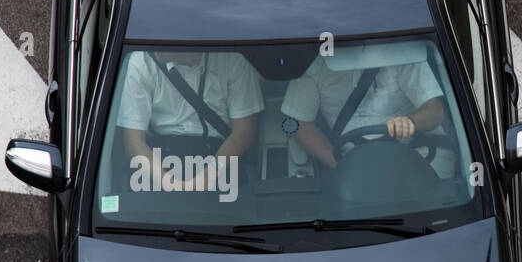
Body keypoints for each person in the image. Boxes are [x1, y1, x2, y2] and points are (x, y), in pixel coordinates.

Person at [117, 50, 264, 192]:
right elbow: (133, 142)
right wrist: (169, 183)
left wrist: (210, 174)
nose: (155, 39)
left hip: (221, 157)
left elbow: (244, 132)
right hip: (157, 160)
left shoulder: (232, 60)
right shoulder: (142, 59)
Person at [281, 53, 447, 174]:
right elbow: (298, 124)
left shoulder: (403, 51)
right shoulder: (315, 63)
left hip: (416, 152)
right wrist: (340, 166)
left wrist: (410, 122)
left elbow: (435, 110)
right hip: (351, 163)